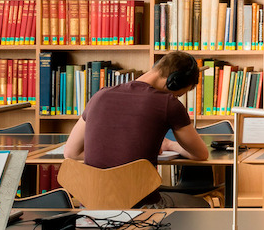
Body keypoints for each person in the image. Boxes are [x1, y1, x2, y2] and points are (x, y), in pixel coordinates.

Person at [63, 50, 209, 206]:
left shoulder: (99, 96)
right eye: (179, 94)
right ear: (175, 82)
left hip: (92, 207)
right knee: (200, 205)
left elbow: (71, 153)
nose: (176, 97)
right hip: (142, 209)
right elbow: (200, 154)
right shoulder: (168, 104)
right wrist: (170, 145)